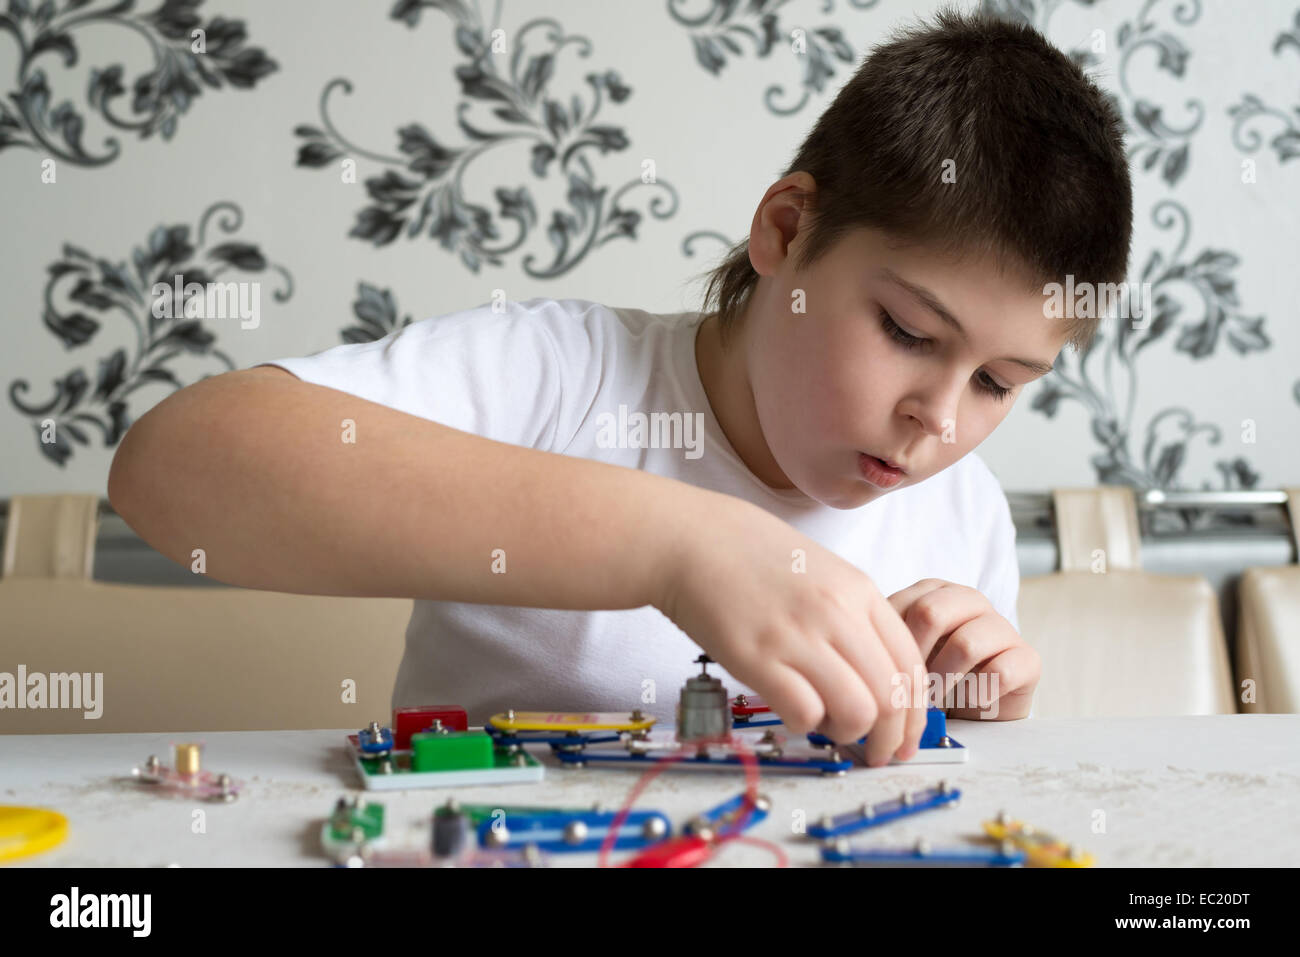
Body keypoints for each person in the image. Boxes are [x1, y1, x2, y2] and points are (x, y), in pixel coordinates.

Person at [107, 6, 1131, 765]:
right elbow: (169, 469)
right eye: (907, 330)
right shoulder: (557, 376)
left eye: (999, 382)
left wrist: (970, 706)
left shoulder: (964, 516)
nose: (939, 421)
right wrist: (677, 544)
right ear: (786, 229)